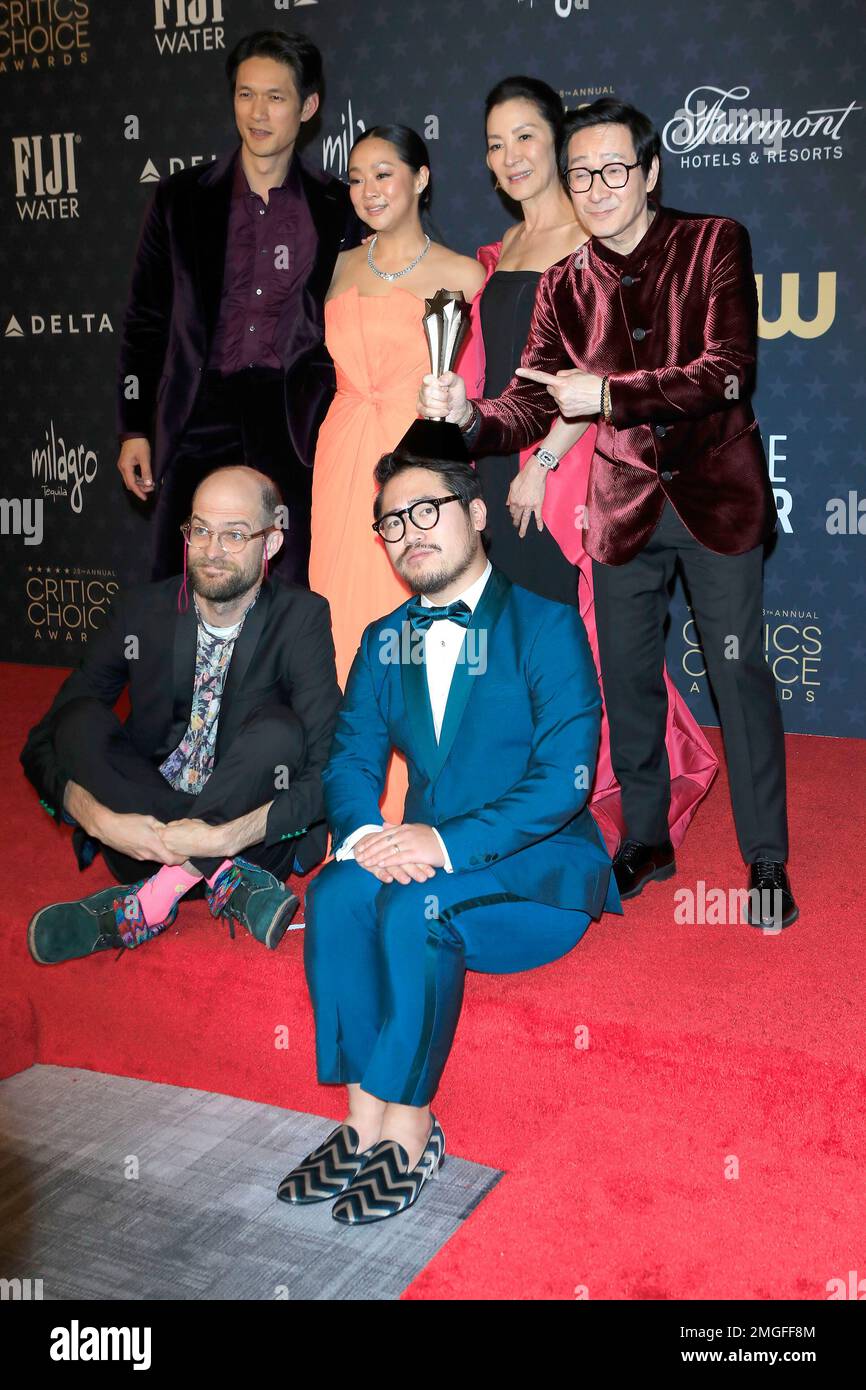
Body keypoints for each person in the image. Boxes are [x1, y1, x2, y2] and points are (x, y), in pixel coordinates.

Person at [419, 97, 797, 930]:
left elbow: (728, 372)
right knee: (625, 683)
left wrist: (610, 395)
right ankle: (648, 838)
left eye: (614, 169)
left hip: (715, 502)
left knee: (736, 674)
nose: (596, 187)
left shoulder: (715, 243)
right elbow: (526, 404)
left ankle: (765, 857)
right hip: (621, 509)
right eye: (582, 171)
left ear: (650, 172)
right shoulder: (563, 283)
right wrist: (469, 417)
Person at [276, 450, 620, 1223]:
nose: (408, 533)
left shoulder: (547, 625)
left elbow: (566, 778)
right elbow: (351, 758)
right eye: (392, 522)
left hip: (538, 875)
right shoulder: (382, 639)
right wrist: (367, 835)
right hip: (426, 857)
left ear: (478, 513)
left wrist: (442, 843)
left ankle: (411, 1128)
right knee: (334, 893)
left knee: (415, 909)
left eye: (426, 509)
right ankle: (361, 1119)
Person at [469, 77, 717, 856]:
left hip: (573, 462)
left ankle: (604, 799)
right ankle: (529, 791)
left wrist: (541, 464)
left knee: (586, 635)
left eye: (526, 139)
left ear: (562, 146)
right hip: (504, 459)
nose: (510, 157)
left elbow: (607, 370)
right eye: (495, 143)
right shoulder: (498, 249)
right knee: (524, 637)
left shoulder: (596, 246)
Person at [21, 466, 341, 964]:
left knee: (280, 734)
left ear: (272, 542)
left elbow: (329, 766)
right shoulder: (142, 608)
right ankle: (222, 879)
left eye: (235, 534)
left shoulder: (301, 618)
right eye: (201, 530)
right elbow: (41, 739)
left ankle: (151, 901)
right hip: (142, 840)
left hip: (249, 840)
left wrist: (221, 837)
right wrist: (103, 822)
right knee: (78, 720)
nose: (211, 550)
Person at [115, 29, 361, 583]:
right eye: (246, 94)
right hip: (199, 406)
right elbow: (146, 319)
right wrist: (134, 427)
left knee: (292, 580)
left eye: (276, 96)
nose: (258, 112)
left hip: (291, 413)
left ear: (309, 106)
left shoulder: (338, 207)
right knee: (178, 577)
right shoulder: (180, 199)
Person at [308, 125, 484, 824]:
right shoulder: (338, 266)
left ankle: (423, 799)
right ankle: (351, 797)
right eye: (356, 178)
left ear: (422, 177)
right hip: (342, 451)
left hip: (416, 458)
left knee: (413, 613)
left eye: (384, 174)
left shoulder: (466, 275)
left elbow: (480, 397)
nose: (368, 191)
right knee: (341, 612)